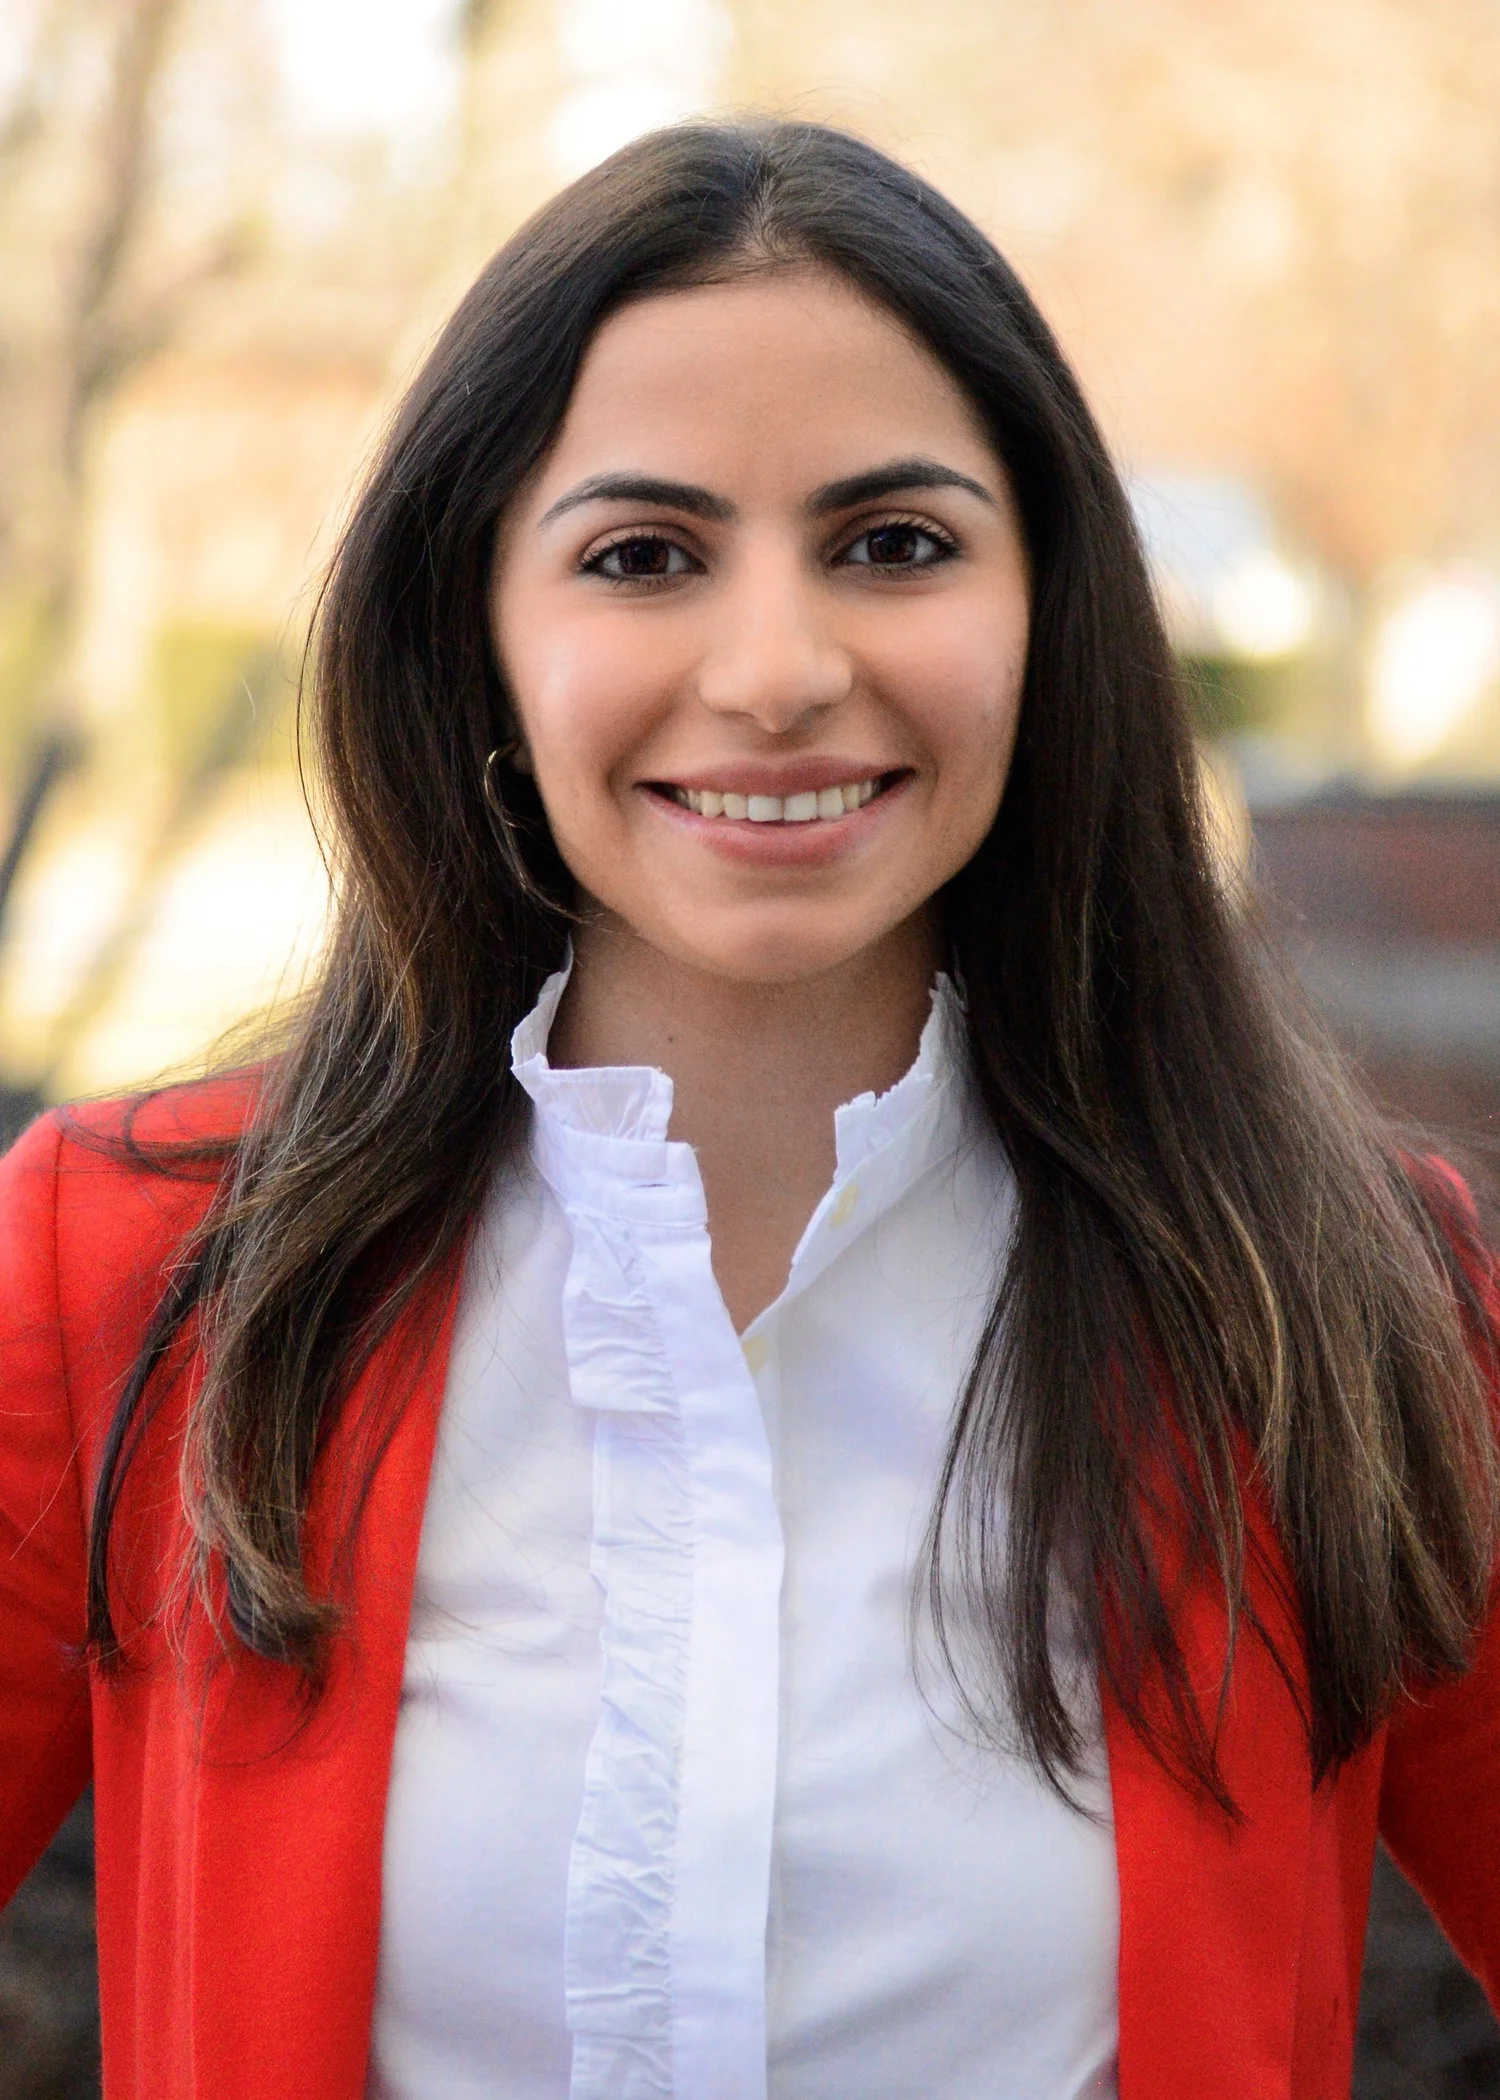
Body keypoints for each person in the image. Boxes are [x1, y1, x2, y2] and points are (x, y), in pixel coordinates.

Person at [1, 118, 1497, 2100]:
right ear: (479, 636)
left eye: (895, 544)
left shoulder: (1339, 1298)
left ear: (1050, 614)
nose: (779, 670)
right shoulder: (123, 1270)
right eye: (644, 557)